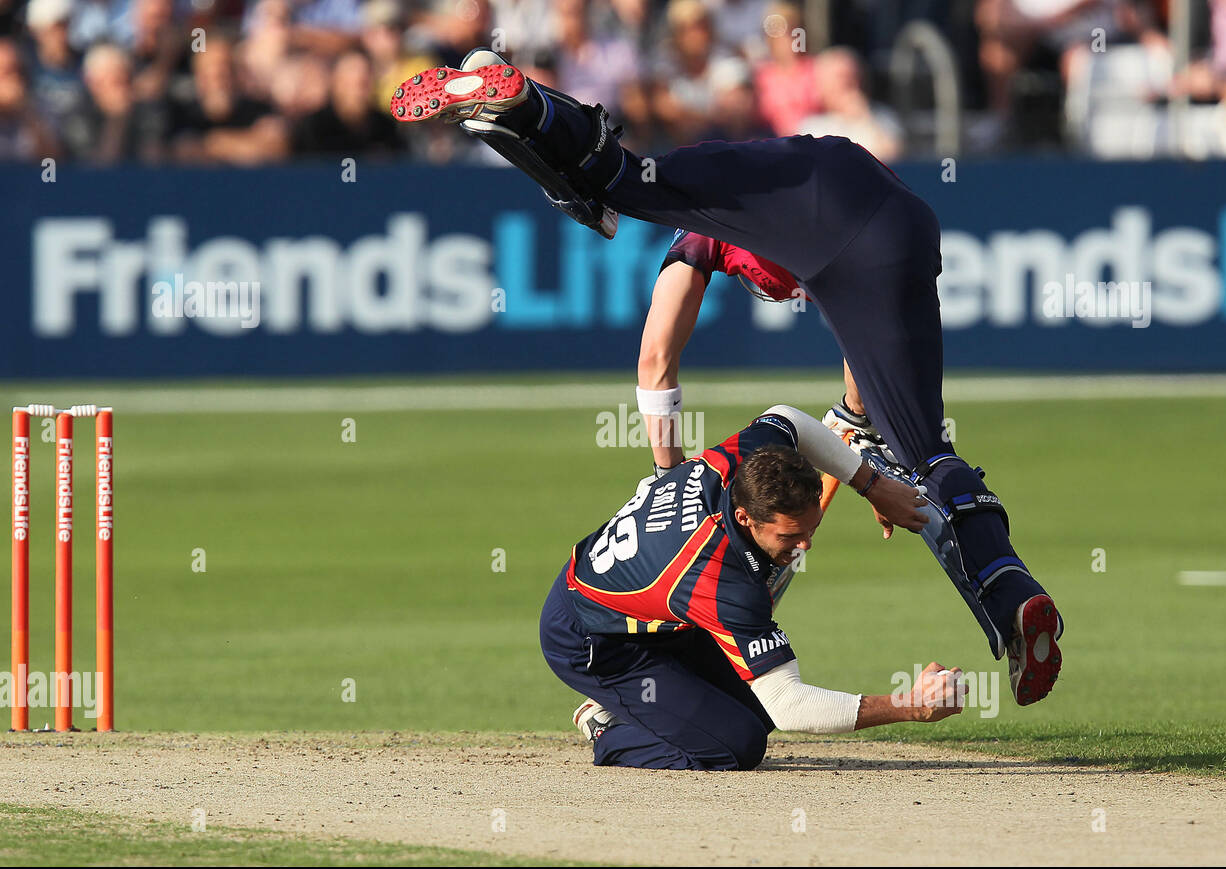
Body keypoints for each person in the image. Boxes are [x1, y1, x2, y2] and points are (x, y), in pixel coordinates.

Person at [389, 48, 1064, 706]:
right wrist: (867, 454)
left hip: (826, 212)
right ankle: (1015, 599)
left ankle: (522, 99)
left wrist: (667, 472)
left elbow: (657, 357)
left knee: (615, 179)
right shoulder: (767, 176)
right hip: (902, 222)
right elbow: (864, 383)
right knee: (926, 452)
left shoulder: (701, 227)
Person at [541, 405, 965, 770]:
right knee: (739, 743)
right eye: (789, 538)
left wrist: (874, 486)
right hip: (591, 639)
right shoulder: (720, 582)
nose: (805, 546)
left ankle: (644, 703)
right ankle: (608, 729)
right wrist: (910, 705)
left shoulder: (749, 459)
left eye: (810, 528)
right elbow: (789, 703)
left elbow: (788, 418)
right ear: (745, 518)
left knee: (752, 709)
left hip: (648, 607)